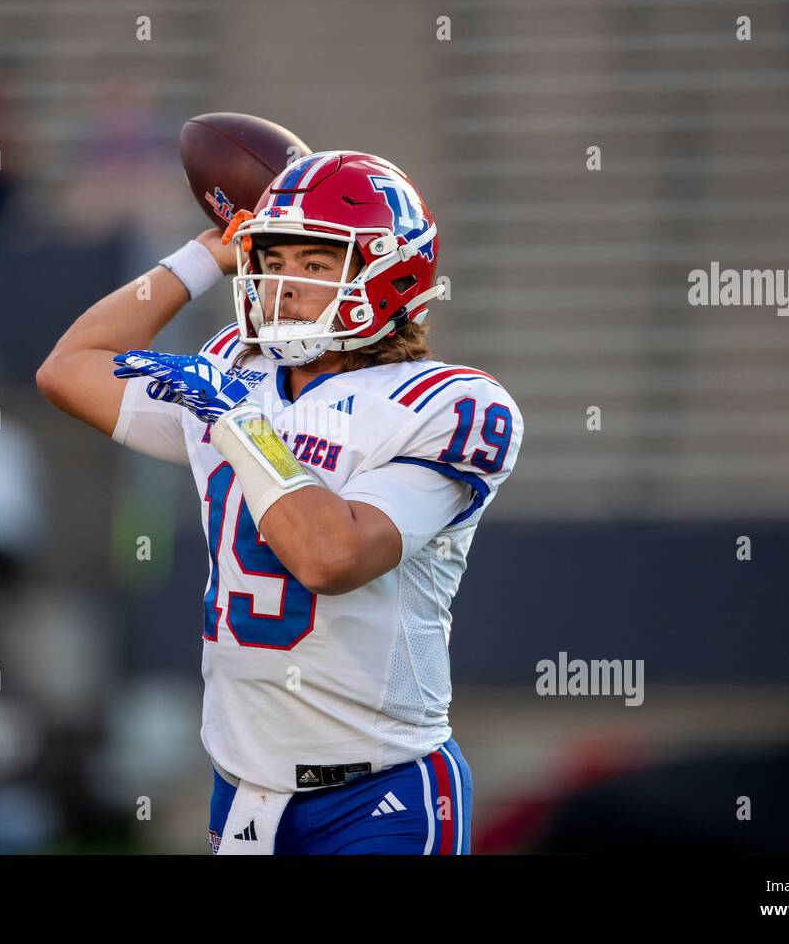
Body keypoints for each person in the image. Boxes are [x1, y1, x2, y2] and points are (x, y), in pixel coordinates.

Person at [37, 151, 525, 854]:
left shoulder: (444, 402)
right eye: (270, 258)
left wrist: (238, 424)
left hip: (379, 793)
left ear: (388, 275)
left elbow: (332, 556)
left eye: (315, 264)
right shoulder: (237, 368)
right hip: (243, 793)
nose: (282, 284)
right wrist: (205, 256)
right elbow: (68, 369)